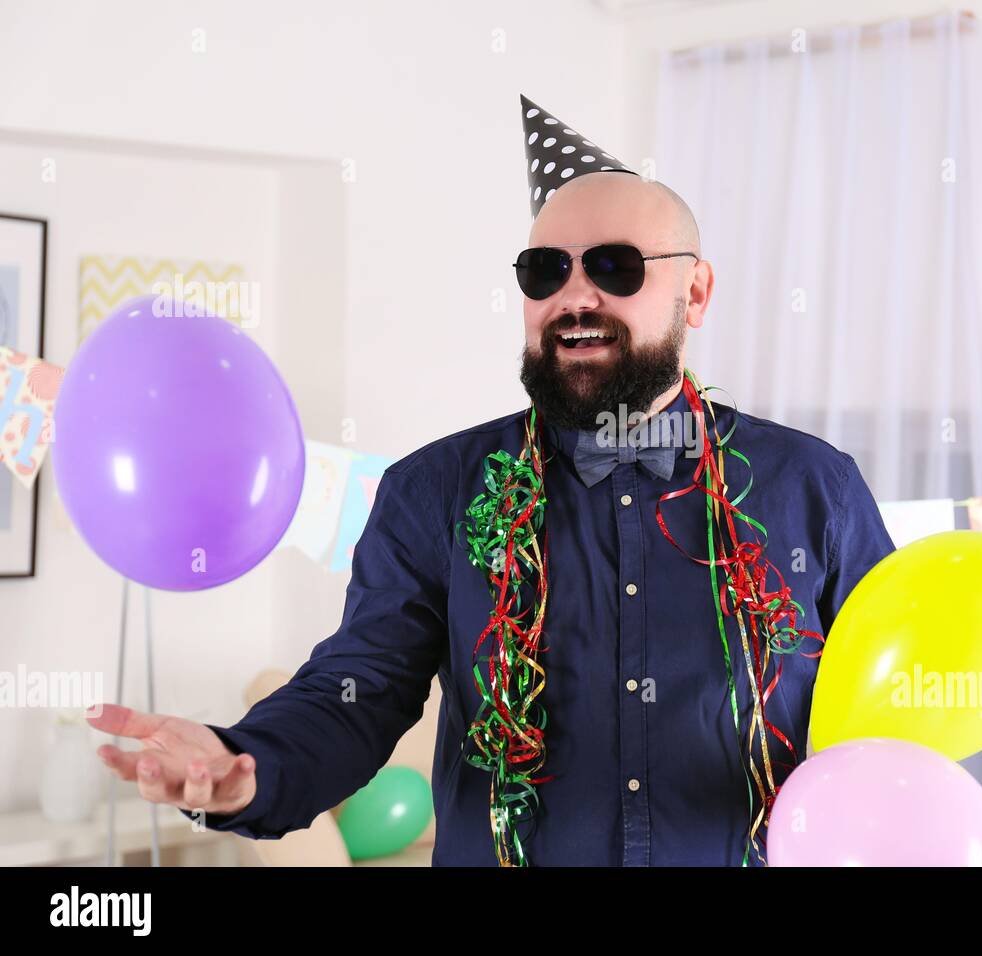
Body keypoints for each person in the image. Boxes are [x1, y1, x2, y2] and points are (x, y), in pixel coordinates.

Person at [88, 96, 896, 866]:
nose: (576, 296)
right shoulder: (430, 493)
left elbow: (891, 721)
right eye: (545, 270)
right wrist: (248, 763)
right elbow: (358, 690)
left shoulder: (813, 490)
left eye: (616, 267)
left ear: (697, 290)